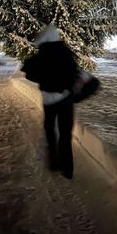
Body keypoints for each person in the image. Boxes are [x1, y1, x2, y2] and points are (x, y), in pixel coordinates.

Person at [34, 25, 78, 179]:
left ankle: (54, 163)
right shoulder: (65, 52)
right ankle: (68, 170)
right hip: (65, 99)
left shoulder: (41, 54)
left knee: (50, 131)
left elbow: (29, 73)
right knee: (65, 134)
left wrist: (45, 80)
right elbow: (74, 73)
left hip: (48, 100)